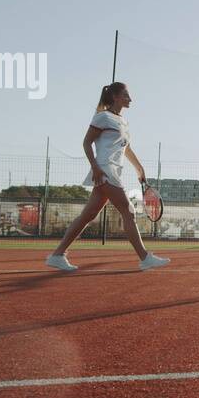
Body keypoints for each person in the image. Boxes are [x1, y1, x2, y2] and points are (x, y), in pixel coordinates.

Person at [45, 82, 170, 272]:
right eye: (126, 95)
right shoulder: (103, 117)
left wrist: (139, 169)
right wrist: (94, 167)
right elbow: (86, 143)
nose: (130, 99)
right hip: (105, 169)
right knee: (128, 211)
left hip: (112, 170)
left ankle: (57, 255)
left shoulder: (123, 122)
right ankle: (145, 258)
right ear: (115, 97)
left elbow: (126, 148)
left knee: (88, 215)